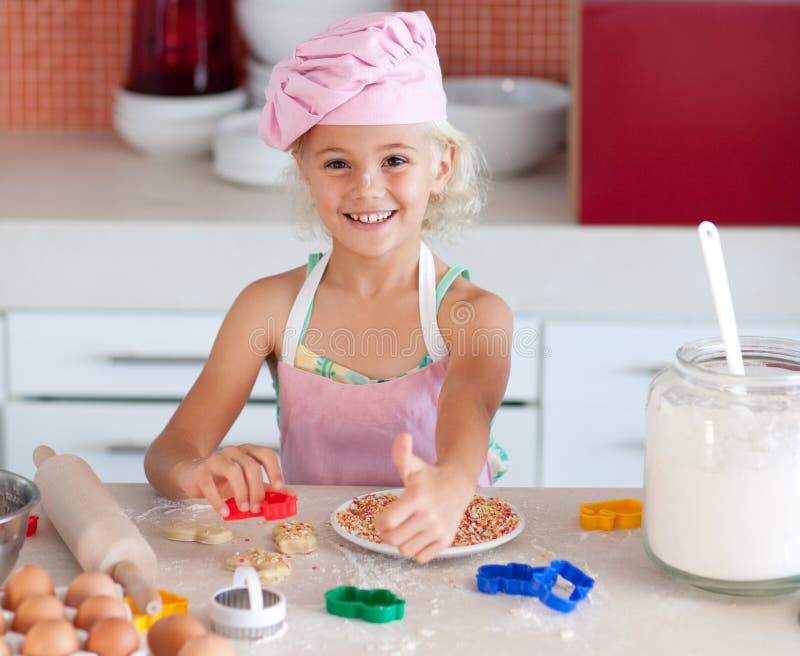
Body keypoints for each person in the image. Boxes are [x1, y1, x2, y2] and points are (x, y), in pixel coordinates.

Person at [145, 10, 512, 563]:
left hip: (445, 563)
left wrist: (453, 482)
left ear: (441, 166)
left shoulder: (473, 314)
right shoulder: (269, 309)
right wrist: (194, 471)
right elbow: (169, 451)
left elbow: (471, 405)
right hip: (314, 564)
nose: (367, 187)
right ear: (305, 171)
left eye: (395, 160)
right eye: (337, 163)